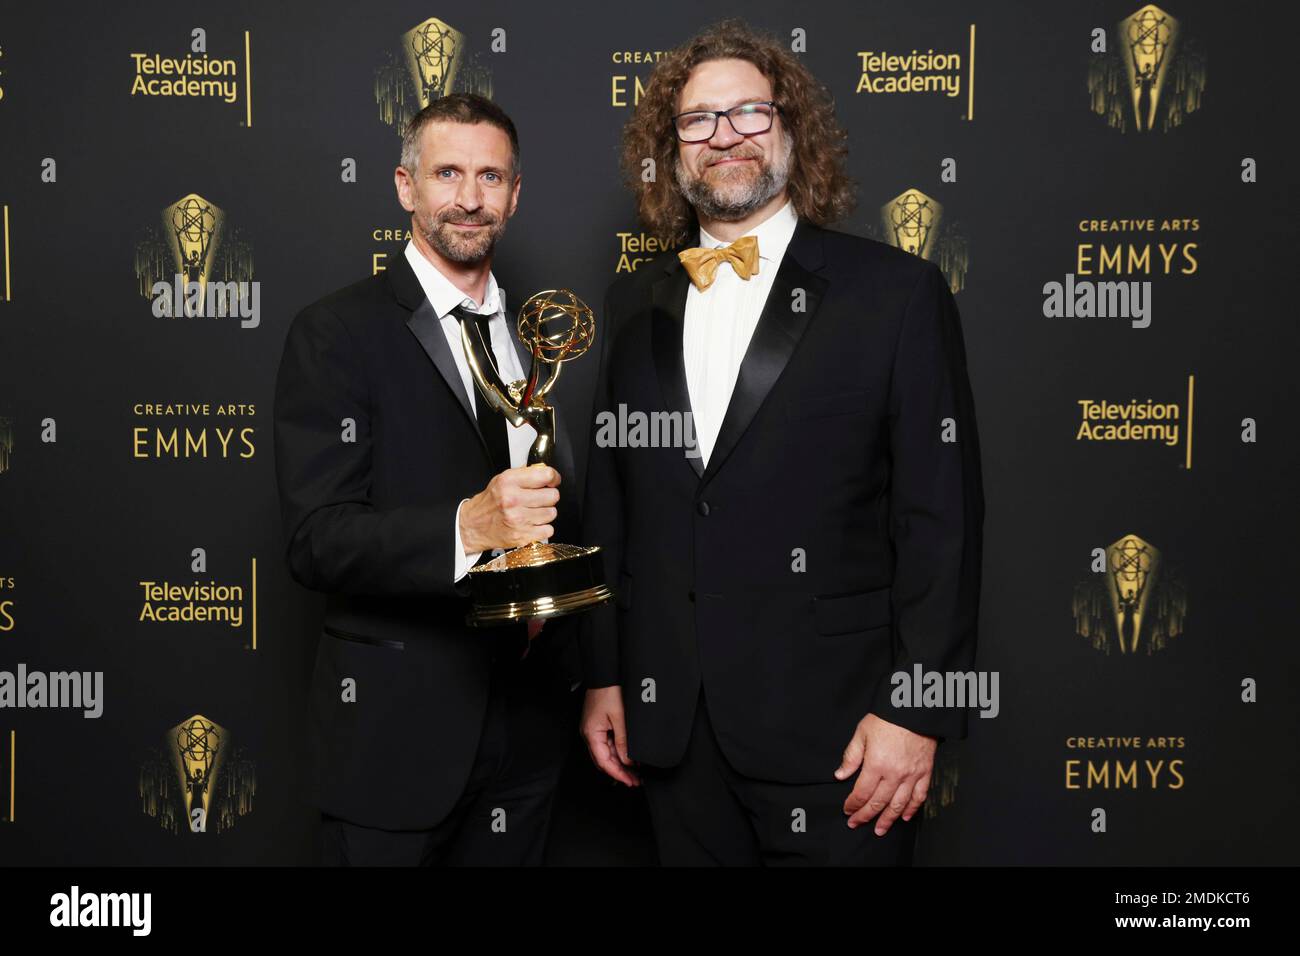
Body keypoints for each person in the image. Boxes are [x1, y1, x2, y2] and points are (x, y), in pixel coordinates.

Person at [578, 19, 985, 866]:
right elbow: (616, 506)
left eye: (749, 113)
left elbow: (940, 519)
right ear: (672, 150)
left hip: (842, 739)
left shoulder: (896, 294)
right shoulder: (632, 303)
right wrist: (607, 674)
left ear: (791, 130)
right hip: (673, 729)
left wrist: (916, 711)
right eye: (697, 121)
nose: (724, 136)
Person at [273, 92, 580, 865]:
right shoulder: (336, 332)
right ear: (406, 188)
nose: (470, 198)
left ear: (516, 194)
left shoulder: (537, 338)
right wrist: (465, 529)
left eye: (490, 176)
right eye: (447, 173)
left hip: (529, 732)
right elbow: (317, 540)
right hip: (393, 743)